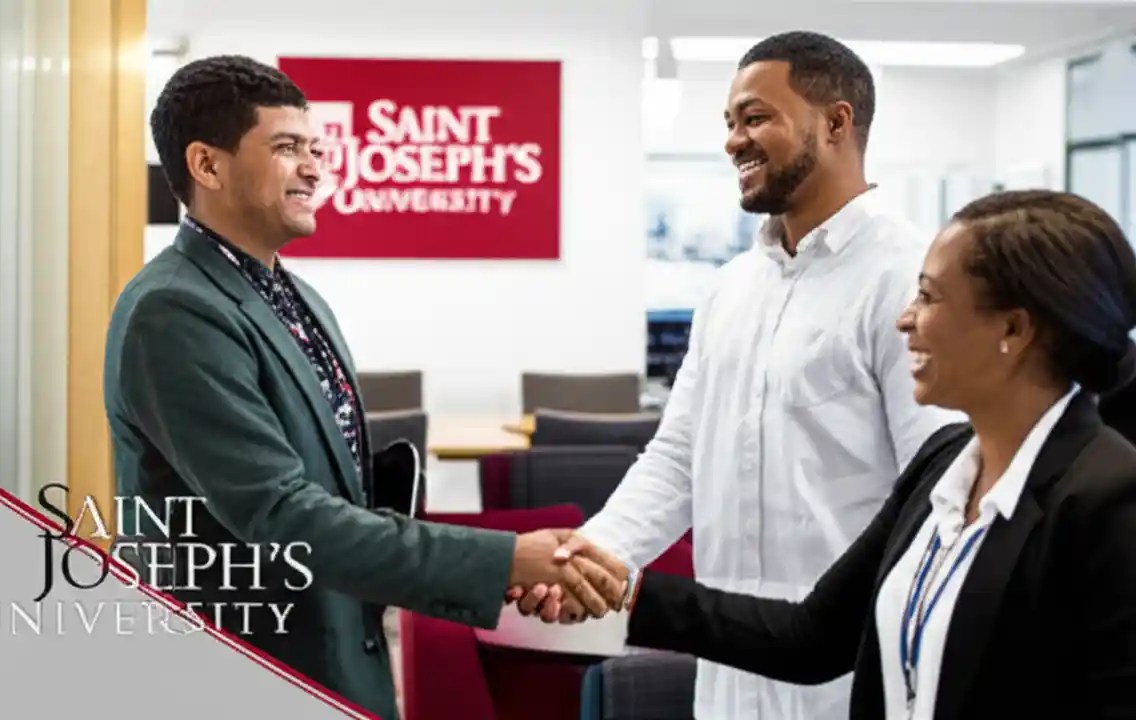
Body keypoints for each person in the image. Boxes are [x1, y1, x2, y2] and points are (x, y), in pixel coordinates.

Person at [101, 55, 626, 719]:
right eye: (288, 148)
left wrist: (500, 572)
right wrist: (502, 562)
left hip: (338, 658)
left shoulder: (301, 298)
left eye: (316, 147)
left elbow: (337, 487)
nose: (315, 167)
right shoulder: (174, 310)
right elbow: (282, 515)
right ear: (207, 165)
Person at [513, 31, 962, 720]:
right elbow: (677, 463)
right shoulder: (730, 289)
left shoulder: (907, 277)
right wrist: (588, 560)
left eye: (755, 118)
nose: (733, 141)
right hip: (729, 675)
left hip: (851, 677)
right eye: (729, 123)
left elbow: (934, 499)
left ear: (836, 123)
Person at [613, 189, 1136, 719]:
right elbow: (810, 637)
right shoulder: (942, 466)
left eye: (929, 298)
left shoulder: (1109, 501)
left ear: (1013, 329)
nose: (905, 320)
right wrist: (621, 595)